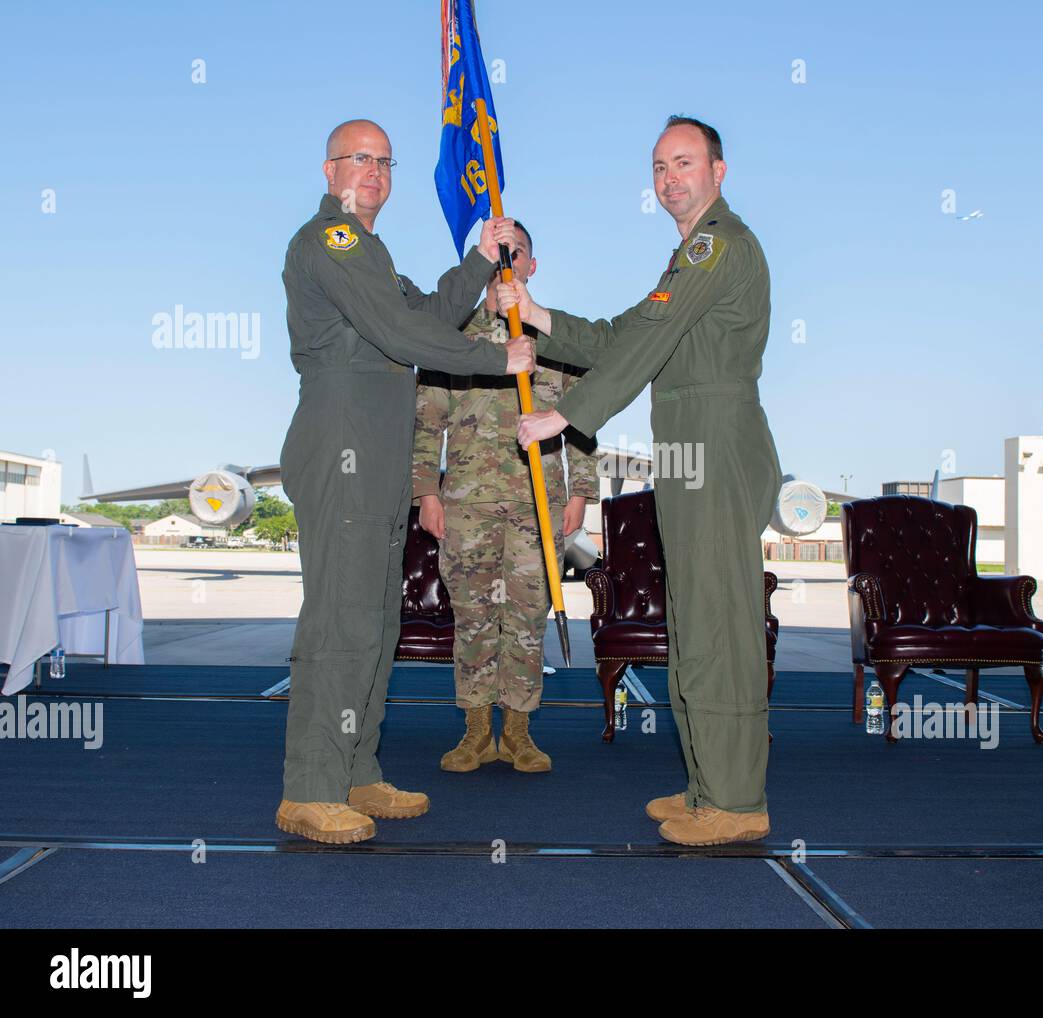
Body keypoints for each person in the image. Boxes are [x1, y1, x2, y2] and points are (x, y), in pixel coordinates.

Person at [501, 116, 783, 847]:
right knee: (693, 623)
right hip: (689, 447)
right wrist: (538, 315)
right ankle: (706, 784)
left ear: (719, 171)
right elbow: (626, 331)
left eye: (684, 163)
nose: (669, 180)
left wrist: (565, 416)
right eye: (659, 168)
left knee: (719, 624)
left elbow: (645, 344)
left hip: (717, 445)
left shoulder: (720, 244)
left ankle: (737, 800)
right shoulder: (687, 258)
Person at [277, 119, 534, 844]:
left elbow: (424, 314)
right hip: (343, 441)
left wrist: (482, 262)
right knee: (338, 623)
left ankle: (356, 770)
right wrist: (495, 361)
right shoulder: (326, 242)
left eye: (386, 162)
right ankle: (310, 787)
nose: (375, 173)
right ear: (329, 170)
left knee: (374, 623)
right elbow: (403, 335)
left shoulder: (374, 255)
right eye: (360, 160)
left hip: (379, 451)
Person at [411, 221, 598, 774]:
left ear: (531, 267)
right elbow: (426, 425)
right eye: (499, 252)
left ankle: (517, 731)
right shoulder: (451, 338)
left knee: (525, 617)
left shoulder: (555, 340)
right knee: (471, 616)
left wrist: (581, 493)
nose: (507, 261)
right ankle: (474, 731)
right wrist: (426, 492)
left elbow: (585, 420)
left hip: (537, 503)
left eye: (517, 253)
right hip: (466, 502)